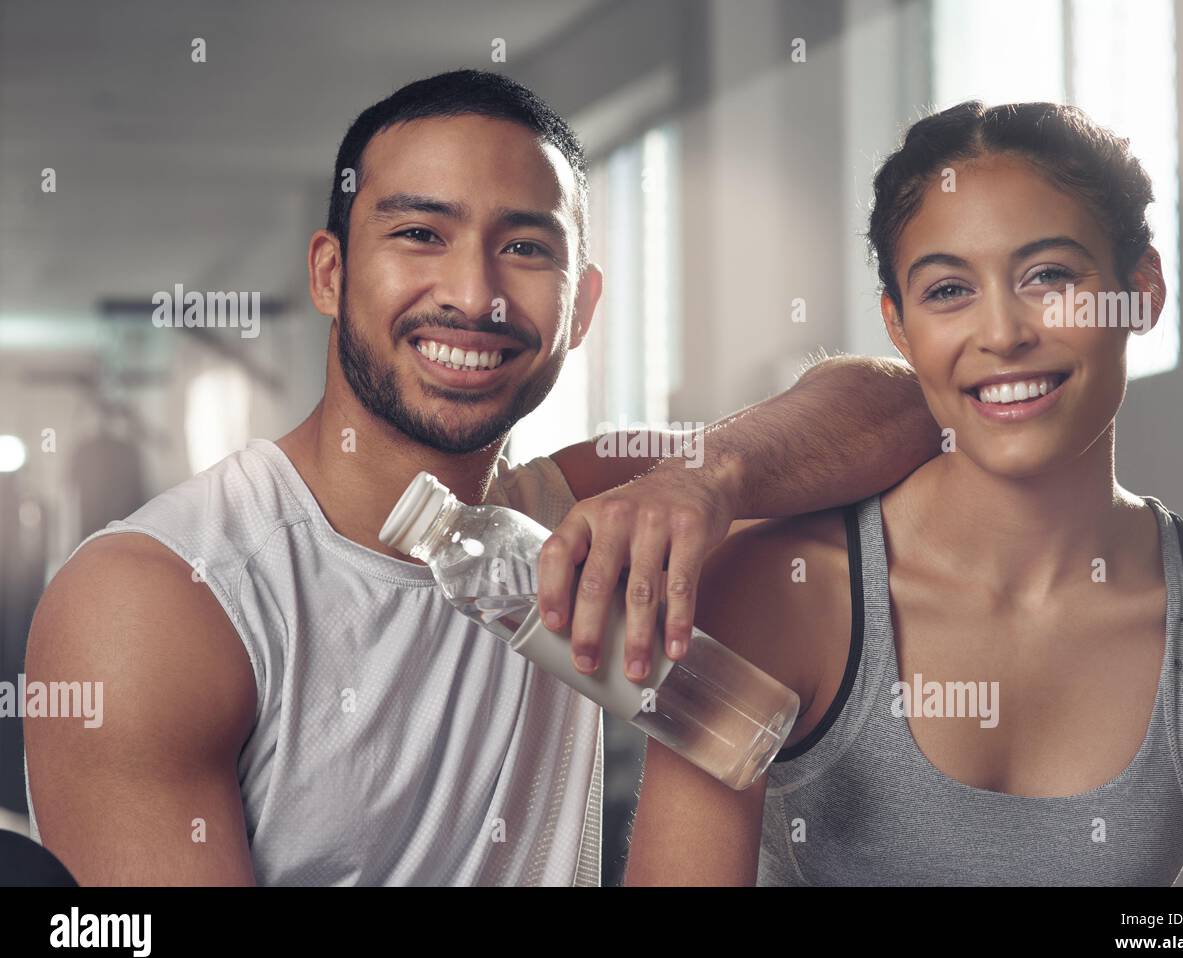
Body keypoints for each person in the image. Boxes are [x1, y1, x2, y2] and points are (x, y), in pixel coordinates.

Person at [21, 70, 939, 886]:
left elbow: (898, 405)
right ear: (332, 274)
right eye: (421, 232)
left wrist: (710, 481)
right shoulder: (158, 598)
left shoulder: (564, 508)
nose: (475, 294)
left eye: (527, 248)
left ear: (580, 308)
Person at [625, 101, 1183, 886]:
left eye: (1049, 275)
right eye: (948, 290)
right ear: (901, 329)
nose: (1004, 332)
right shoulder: (775, 595)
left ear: (1141, 290)